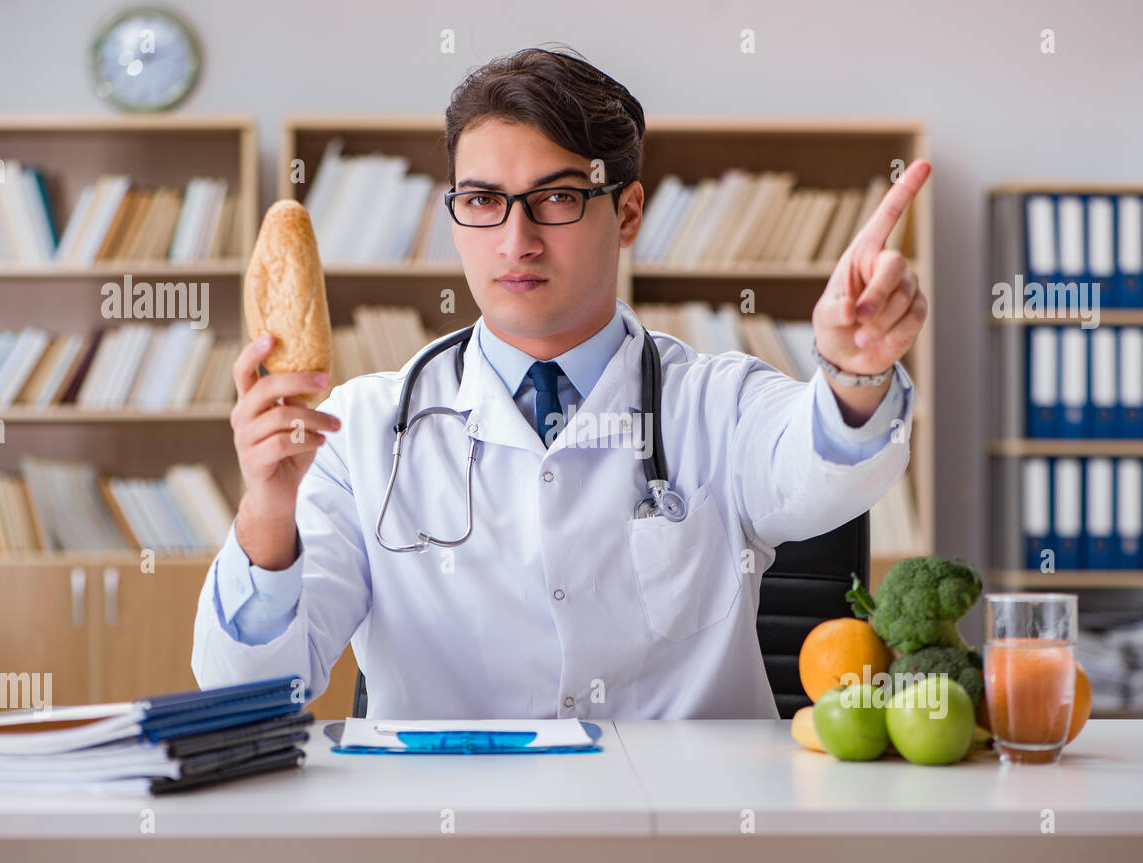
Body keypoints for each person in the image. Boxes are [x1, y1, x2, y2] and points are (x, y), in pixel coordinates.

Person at [192, 45, 930, 718]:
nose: (518, 240)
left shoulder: (718, 401)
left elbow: (820, 468)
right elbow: (249, 690)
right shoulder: (360, 428)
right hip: (452, 832)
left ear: (629, 211)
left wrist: (853, 372)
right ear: (453, 216)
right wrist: (266, 510)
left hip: (685, 831)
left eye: (557, 197)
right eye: (482, 201)